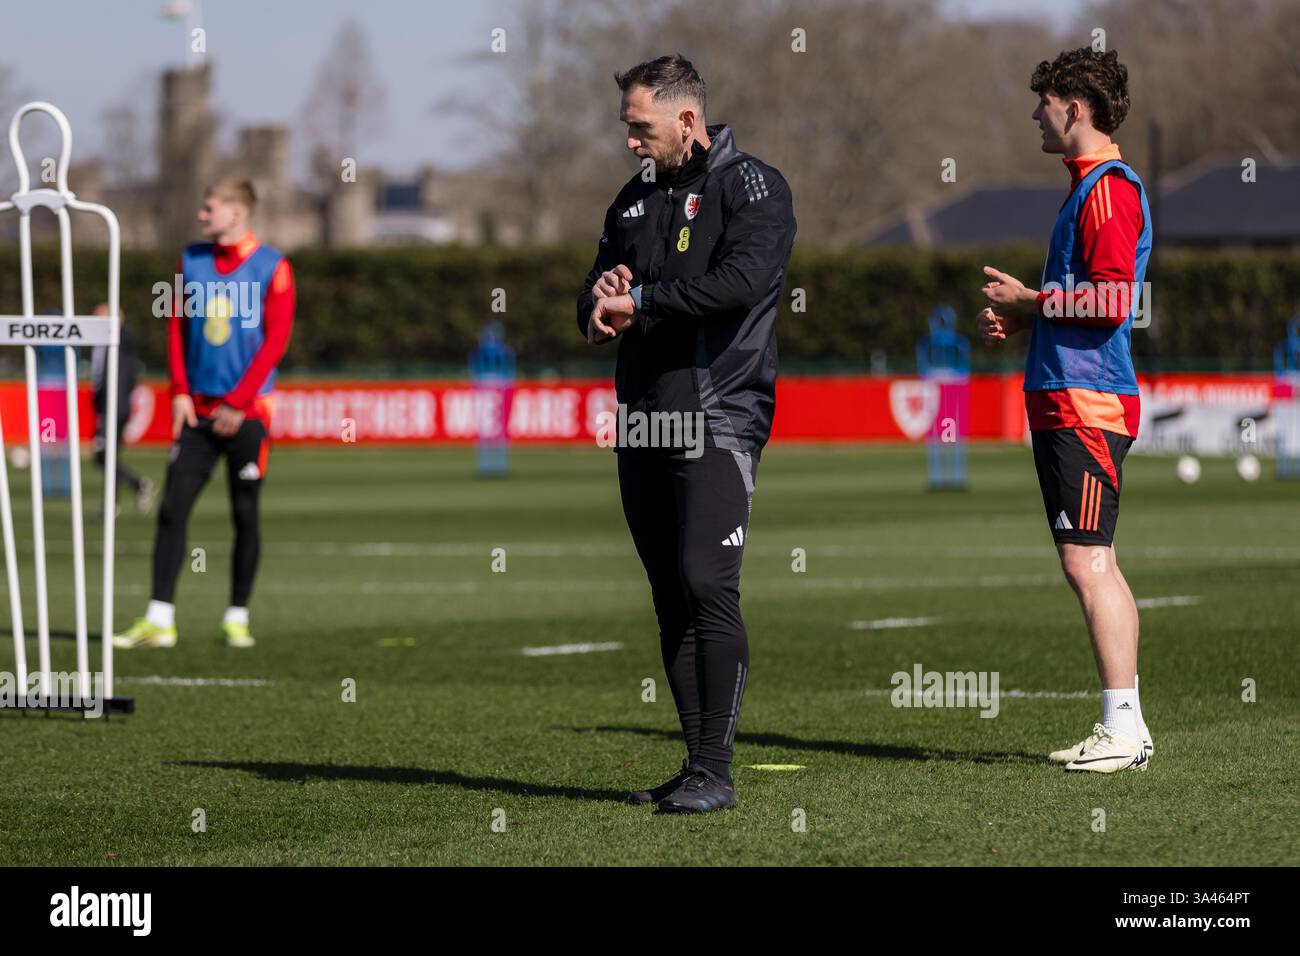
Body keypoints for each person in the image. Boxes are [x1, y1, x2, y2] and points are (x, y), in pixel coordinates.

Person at [578, 55, 796, 811]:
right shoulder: (632, 200)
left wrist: (644, 300)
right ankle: (693, 766)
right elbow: (596, 288)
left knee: (708, 582)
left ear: (686, 120)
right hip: (642, 414)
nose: (631, 143)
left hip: (720, 409)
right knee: (670, 593)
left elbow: (742, 283)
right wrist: (600, 305)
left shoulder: (753, 186)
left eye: (639, 128)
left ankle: (716, 771)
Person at [978, 47, 1153, 773]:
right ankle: (1122, 726)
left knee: (1090, 562)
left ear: (1074, 108)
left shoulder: (1109, 189)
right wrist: (1031, 320)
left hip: (1088, 402)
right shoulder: (1084, 188)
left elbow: (1116, 302)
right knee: (1085, 561)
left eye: (1044, 103)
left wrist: (1030, 302)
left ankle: (1125, 729)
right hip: (1064, 398)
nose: (1035, 115)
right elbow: (1089, 303)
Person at [114, 179, 295, 650]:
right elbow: (176, 325)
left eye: (208, 207)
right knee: (172, 509)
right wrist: (178, 391)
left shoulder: (273, 267)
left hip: (248, 414)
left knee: (245, 513)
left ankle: (236, 616)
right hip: (194, 412)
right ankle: (160, 619)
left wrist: (239, 403)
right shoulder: (189, 260)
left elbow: (276, 341)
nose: (200, 214)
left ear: (236, 213)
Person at [90, 304, 154, 516]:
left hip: (114, 408)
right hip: (107, 407)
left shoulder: (120, 342)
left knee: (103, 455)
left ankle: (137, 485)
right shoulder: (99, 345)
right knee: (108, 457)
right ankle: (113, 502)